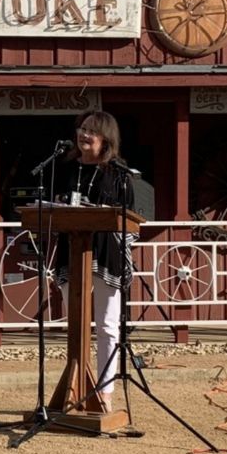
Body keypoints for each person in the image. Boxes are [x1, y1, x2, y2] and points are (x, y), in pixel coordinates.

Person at [55, 110, 137, 413]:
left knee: (106, 325)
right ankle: (74, 388)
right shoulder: (65, 169)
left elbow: (127, 219)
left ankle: (104, 391)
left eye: (91, 131)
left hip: (106, 254)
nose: (83, 135)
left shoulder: (118, 174)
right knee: (75, 323)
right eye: (81, 129)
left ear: (105, 139)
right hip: (72, 250)